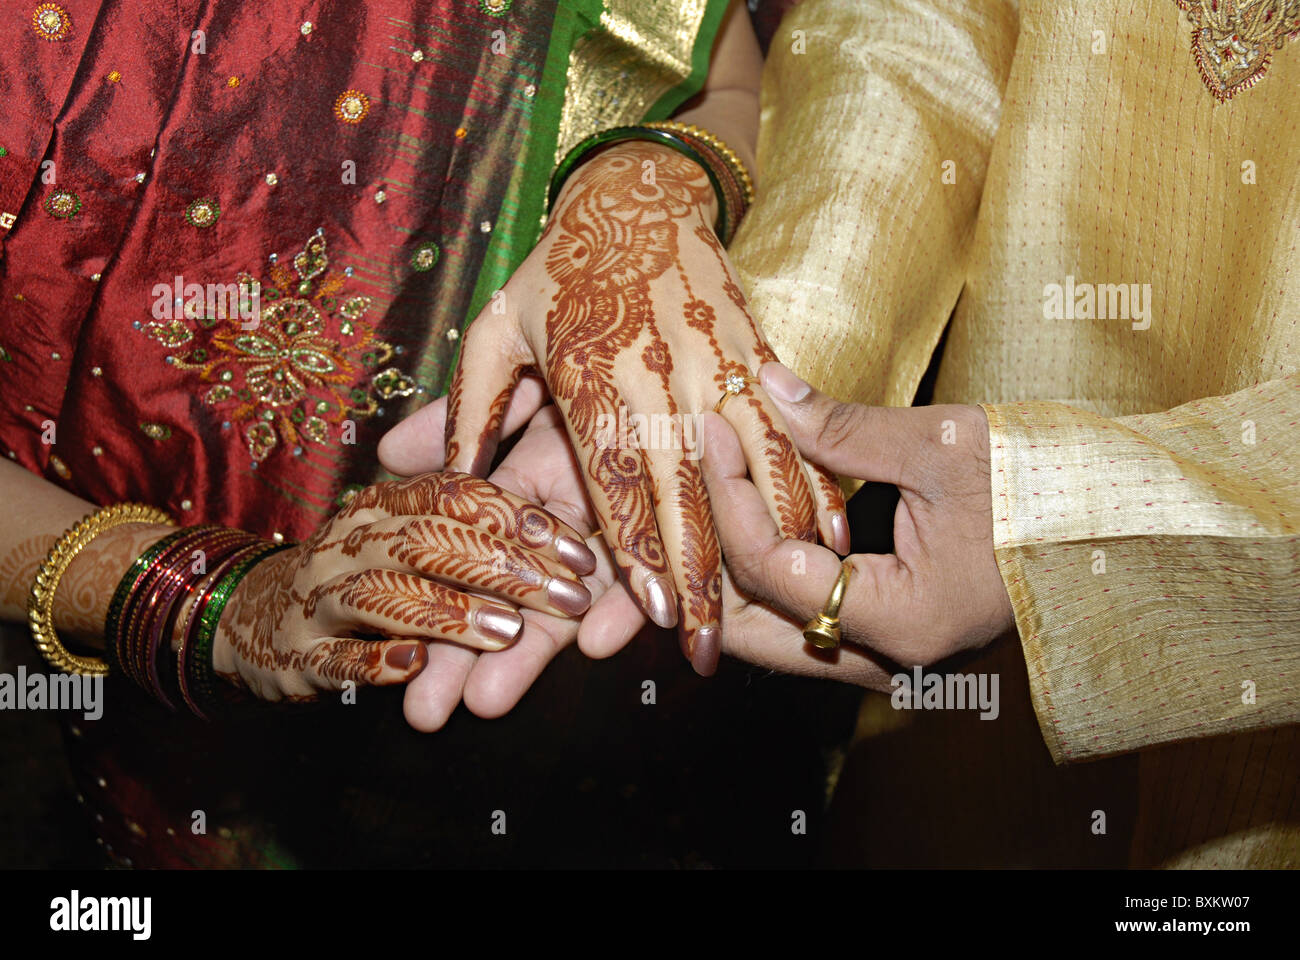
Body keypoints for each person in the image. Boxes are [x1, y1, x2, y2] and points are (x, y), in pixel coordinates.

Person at [1, 0, 850, 867]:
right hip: (196, 713)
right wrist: (209, 603)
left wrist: (641, 184)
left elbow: (725, 73)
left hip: (626, 549)